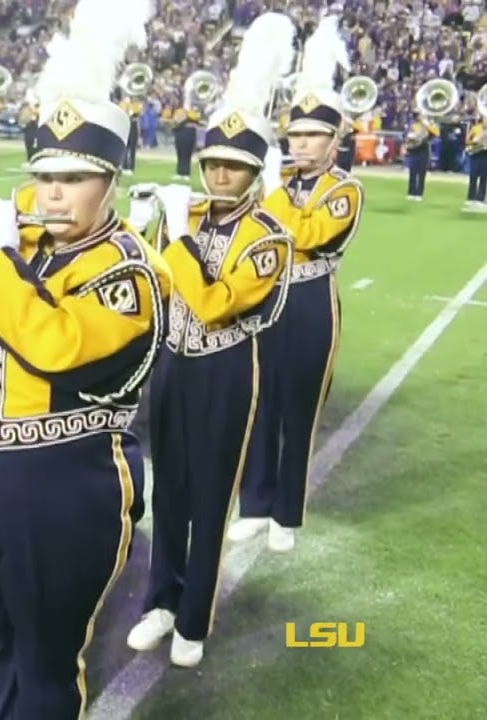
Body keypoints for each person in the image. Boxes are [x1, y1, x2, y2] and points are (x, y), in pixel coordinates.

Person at [0, 0, 167, 715]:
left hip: (59, 493)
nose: (51, 192)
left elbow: (57, 350)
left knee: (44, 665)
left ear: (111, 181)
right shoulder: (16, 249)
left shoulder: (131, 272)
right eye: (43, 174)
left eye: (74, 177)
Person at [123, 11, 296, 668]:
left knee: (208, 493)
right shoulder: (182, 214)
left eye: (234, 166)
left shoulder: (269, 239)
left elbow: (214, 301)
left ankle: (193, 616)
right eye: (213, 163)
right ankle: (158, 600)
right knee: (167, 490)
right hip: (170, 366)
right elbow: (146, 281)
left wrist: (179, 235)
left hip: (224, 372)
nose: (220, 176)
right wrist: (145, 227)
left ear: (253, 172)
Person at [231, 15, 364, 553]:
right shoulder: (272, 184)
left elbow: (306, 234)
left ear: (334, 142)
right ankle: (254, 505)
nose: (303, 144)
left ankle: (287, 513)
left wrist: (274, 190)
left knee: (298, 408)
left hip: (309, 299)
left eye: (315, 136)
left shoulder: (344, 190)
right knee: (259, 402)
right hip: (269, 296)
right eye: (297, 134)